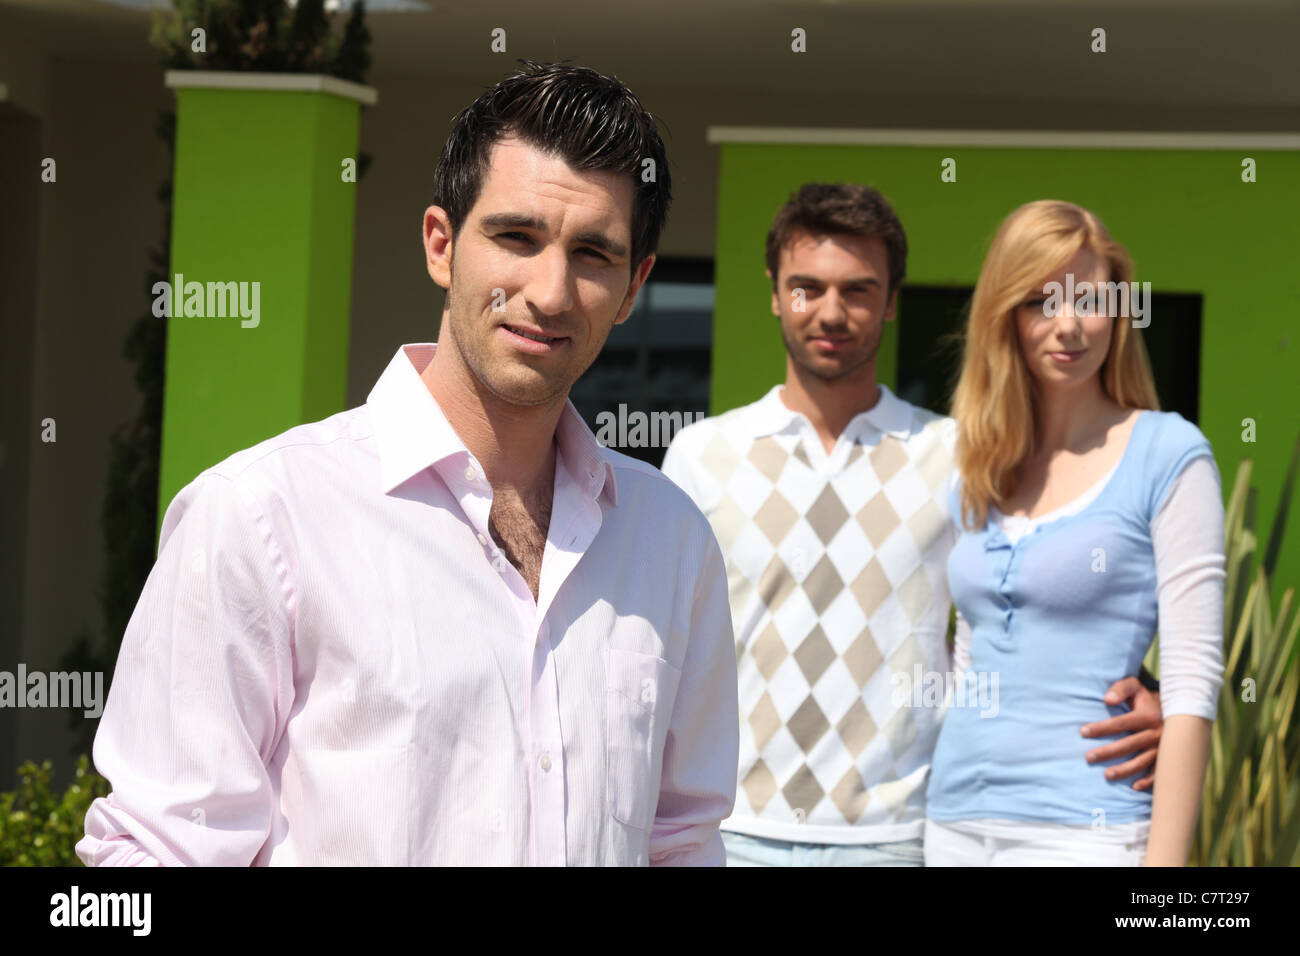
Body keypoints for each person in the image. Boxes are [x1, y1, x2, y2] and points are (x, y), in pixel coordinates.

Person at [76, 61, 738, 867]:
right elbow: (154, 854)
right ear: (441, 244)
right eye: (516, 237)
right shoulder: (262, 516)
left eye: (593, 254)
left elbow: (683, 841)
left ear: (634, 288)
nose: (551, 290)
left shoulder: (669, 539)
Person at [661, 184, 1163, 867]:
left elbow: (1027, 607)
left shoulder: (959, 455)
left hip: (898, 839)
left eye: (860, 290)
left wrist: (1143, 692)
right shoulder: (700, 456)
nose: (832, 312)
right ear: (776, 293)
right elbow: (662, 648)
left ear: (892, 301)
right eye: (808, 287)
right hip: (732, 832)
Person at [924, 199, 1223, 866]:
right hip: (953, 825)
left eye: (1088, 299)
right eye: (1039, 302)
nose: (1068, 327)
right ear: (1005, 317)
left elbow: (1192, 685)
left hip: (1087, 831)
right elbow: (971, 655)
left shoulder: (1168, 454)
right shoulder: (978, 461)